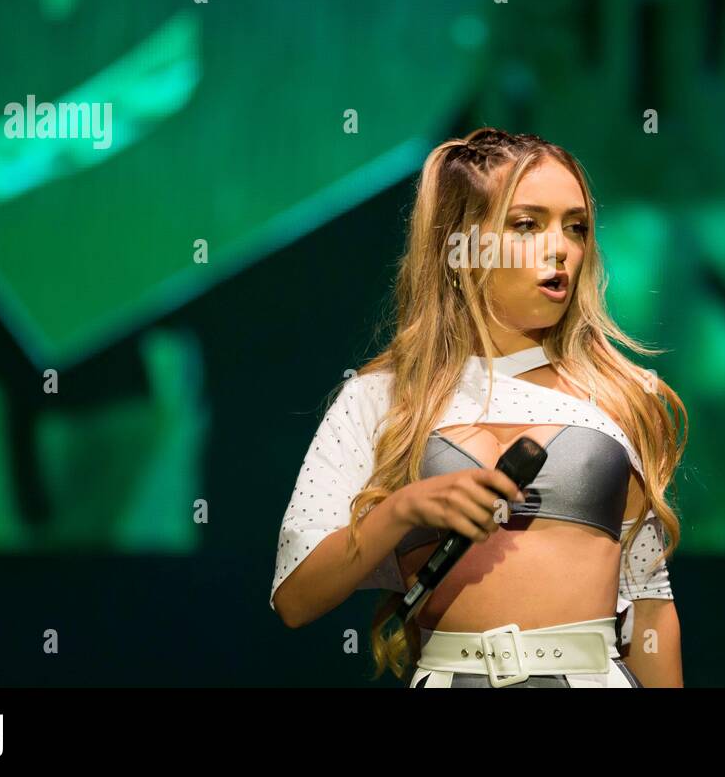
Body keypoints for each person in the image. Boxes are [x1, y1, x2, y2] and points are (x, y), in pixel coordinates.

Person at [270, 127, 686, 687]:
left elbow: (649, 606)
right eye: (526, 224)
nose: (560, 247)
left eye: (576, 227)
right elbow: (295, 599)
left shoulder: (614, 396)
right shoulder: (384, 398)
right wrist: (403, 509)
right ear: (462, 243)